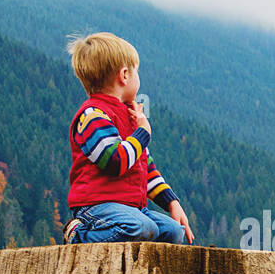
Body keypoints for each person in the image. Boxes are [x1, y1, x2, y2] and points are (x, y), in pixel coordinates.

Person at [62, 32, 194, 245]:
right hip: (96, 207)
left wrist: (172, 203)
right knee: (142, 228)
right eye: (136, 72)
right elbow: (115, 161)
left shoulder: (131, 118)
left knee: (173, 232)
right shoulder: (93, 115)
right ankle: (79, 235)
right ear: (124, 75)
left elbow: (146, 169)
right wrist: (142, 133)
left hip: (133, 208)